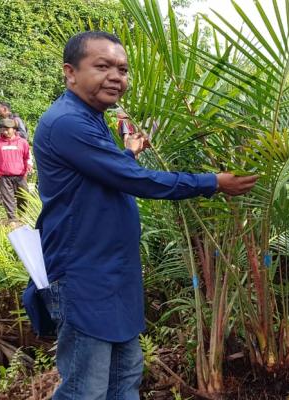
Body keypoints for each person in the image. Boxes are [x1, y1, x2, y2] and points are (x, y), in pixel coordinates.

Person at [25, 31, 258, 400]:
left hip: (114, 274)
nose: (116, 76)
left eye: (122, 68)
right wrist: (212, 182)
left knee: (125, 378)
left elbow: (105, 174)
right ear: (70, 72)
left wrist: (129, 152)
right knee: (86, 388)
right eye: (102, 66)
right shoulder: (67, 122)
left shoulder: (92, 118)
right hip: (84, 276)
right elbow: (135, 181)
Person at [0, 118, 30, 221]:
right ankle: (12, 220)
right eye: (2, 129)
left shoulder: (23, 142)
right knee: (8, 198)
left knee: (23, 197)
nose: (5, 131)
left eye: (7, 129)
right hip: (4, 176)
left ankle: (23, 217)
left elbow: (27, 157)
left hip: (20, 175)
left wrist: (28, 169)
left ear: (14, 129)